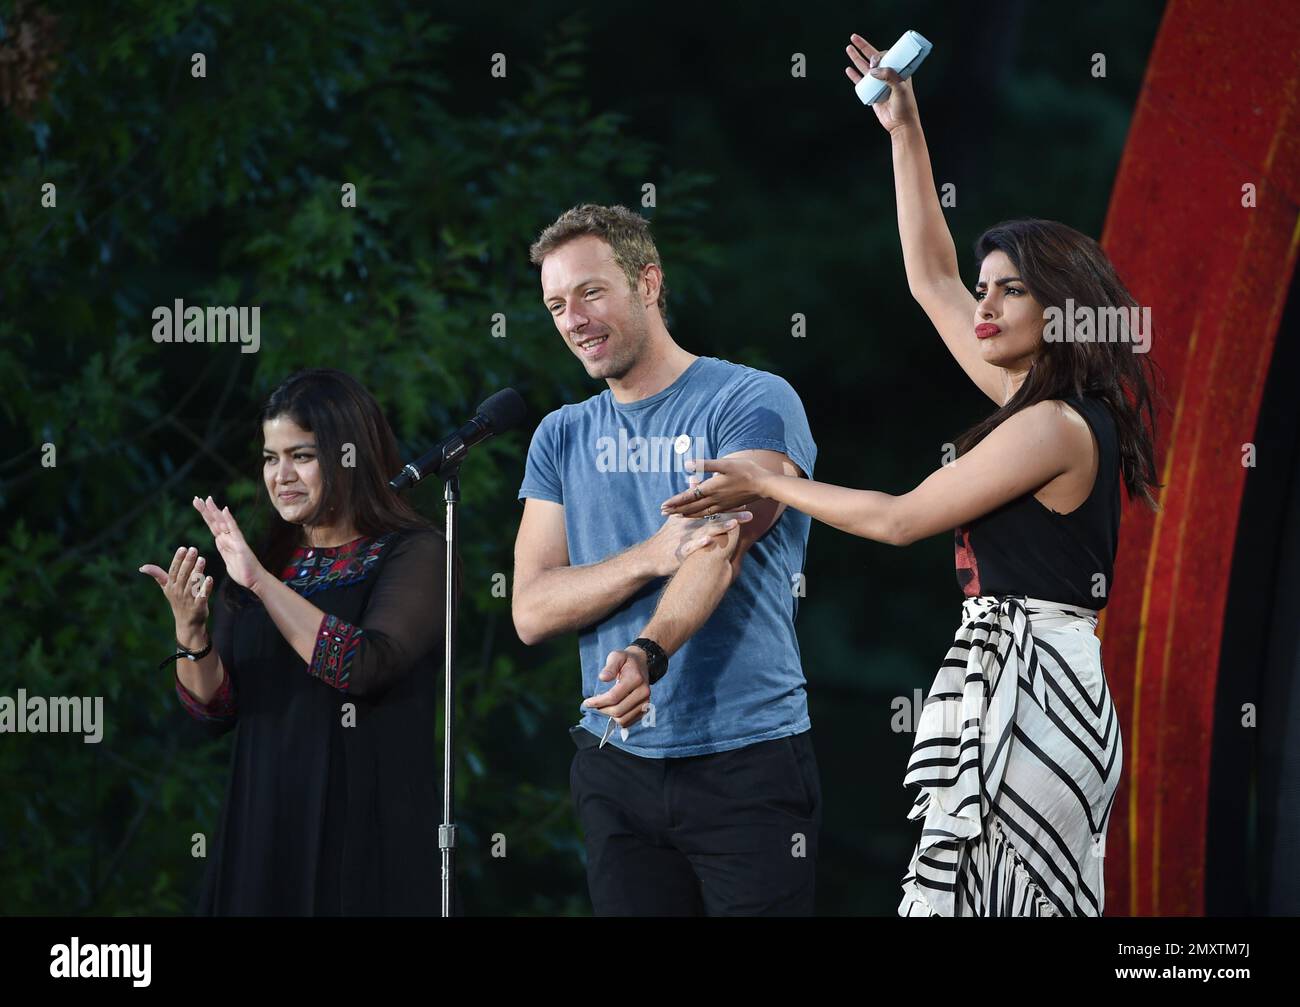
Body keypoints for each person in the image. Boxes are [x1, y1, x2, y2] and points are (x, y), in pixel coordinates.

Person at [661, 35, 1162, 917]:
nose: (985, 304)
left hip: (1035, 691)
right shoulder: (1038, 402)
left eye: (1008, 290)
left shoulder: (1053, 424)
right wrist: (905, 129)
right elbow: (930, 276)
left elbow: (898, 520)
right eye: (988, 287)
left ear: (1059, 307)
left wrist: (767, 480)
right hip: (1017, 679)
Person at [513, 204, 821, 915]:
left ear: (648, 282)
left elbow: (719, 548)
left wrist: (648, 651)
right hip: (614, 763)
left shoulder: (750, 398)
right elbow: (530, 609)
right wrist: (651, 555)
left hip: (748, 758)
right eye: (556, 304)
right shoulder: (560, 434)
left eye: (591, 292)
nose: (573, 319)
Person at [139, 368, 449, 915]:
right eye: (269, 457)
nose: (281, 476)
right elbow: (216, 709)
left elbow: (362, 665)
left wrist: (260, 582)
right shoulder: (267, 557)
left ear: (349, 456)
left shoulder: (414, 552)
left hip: (365, 823)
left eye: (301, 456)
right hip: (263, 819)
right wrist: (191, 637)